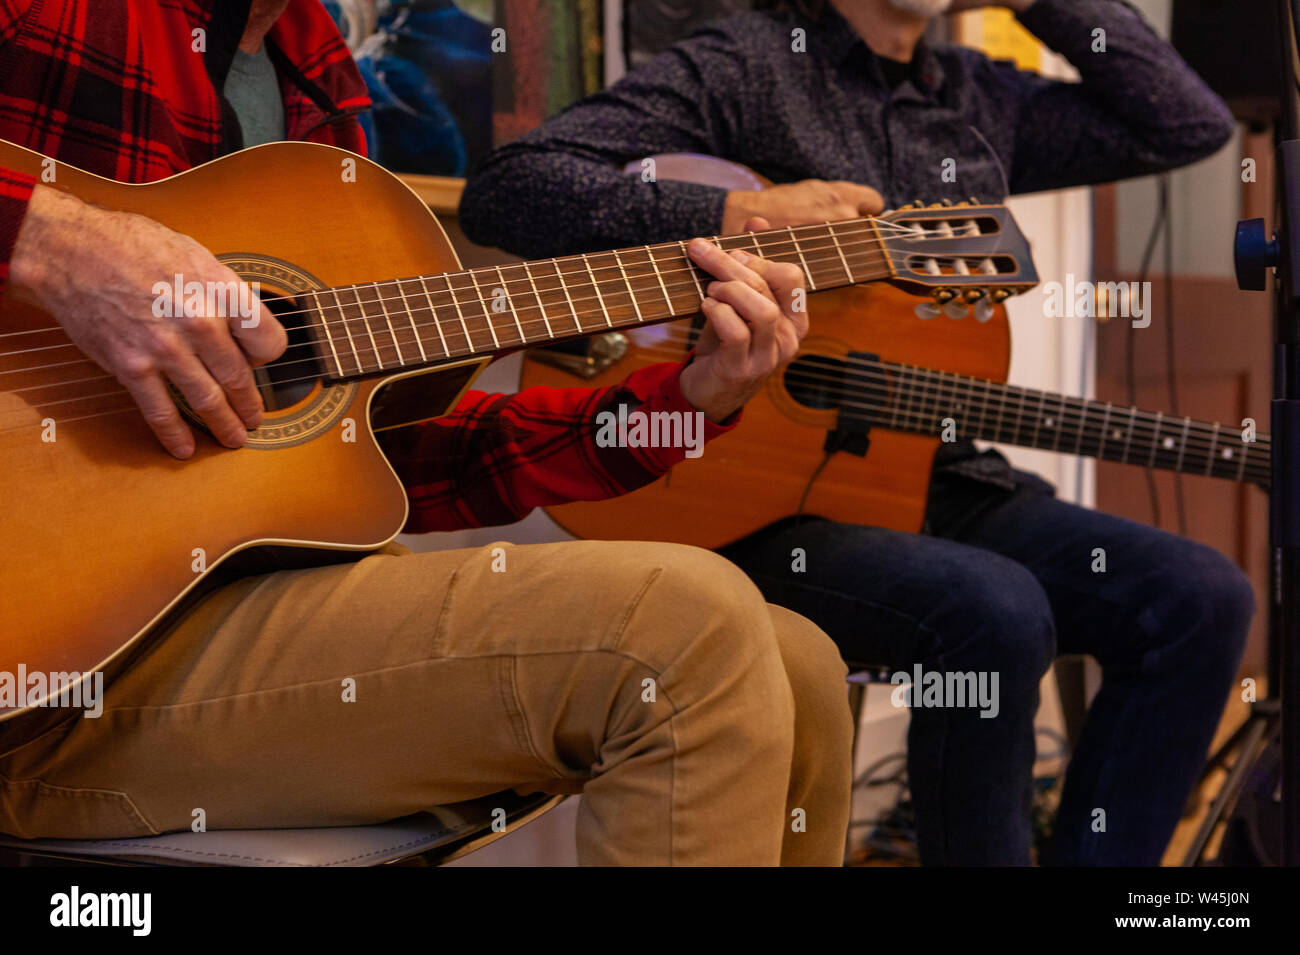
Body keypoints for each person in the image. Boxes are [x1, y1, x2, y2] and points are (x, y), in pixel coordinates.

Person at [0, 0, 856, 866]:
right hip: (49, 700)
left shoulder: (315, 65)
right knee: (686, 626)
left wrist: (688, 402)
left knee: (801, 669)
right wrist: (53, 237)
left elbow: (382, 460)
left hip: (225, 617)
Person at [458, 0, 1256, 865]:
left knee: (1197, 596)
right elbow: (510, 189)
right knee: (993, 607)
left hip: (929, 470)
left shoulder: (979, 100)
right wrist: (735, 219)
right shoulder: (750, 61)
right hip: (737, 497)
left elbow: (1188, 125)